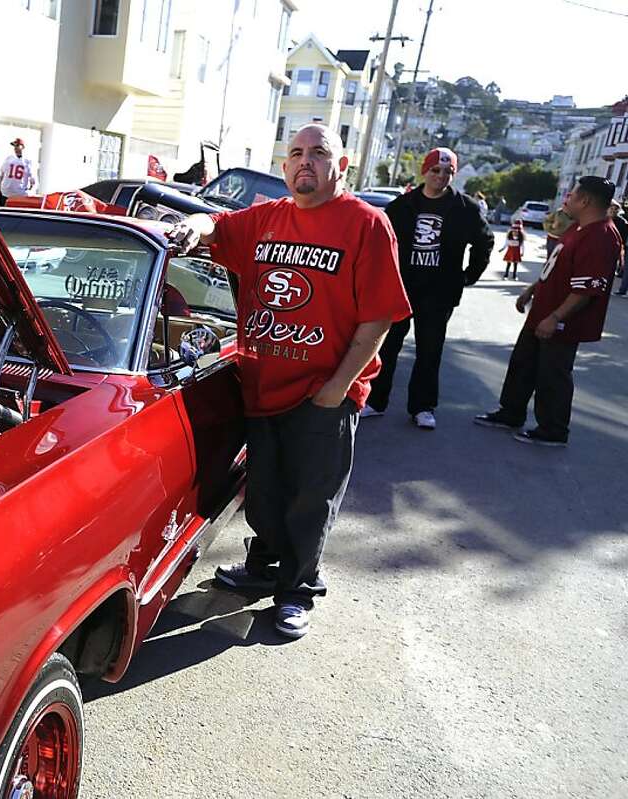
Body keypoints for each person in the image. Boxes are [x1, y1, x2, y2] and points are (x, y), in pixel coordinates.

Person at [166, 124, 410, 639]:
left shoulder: (366, 224)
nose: (306, 162)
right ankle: (264, 567)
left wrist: (336, 390)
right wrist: (194, 224)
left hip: (324, 391)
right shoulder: (268, 218)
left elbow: (379, 318)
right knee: (266, 494)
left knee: (311, 497)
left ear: (339, 166)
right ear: (284, 168)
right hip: (263, 384)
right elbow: (217, 224)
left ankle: (299, 588)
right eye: (296, 153)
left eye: (319, 153)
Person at [474, 176, 622, 447]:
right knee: (523, 364)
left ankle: (553, 429)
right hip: (542, 312)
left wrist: (555, 317)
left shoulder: (601, 236)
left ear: (586, 200)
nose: (568, 199)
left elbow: (587, 289)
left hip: (561, 322)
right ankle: (511, 412)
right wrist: (532, 289)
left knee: (553, 374)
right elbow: (558, 268)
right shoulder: (579, 227)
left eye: (573, 195)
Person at [364, 148, 494, 430]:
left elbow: (484, 242)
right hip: (402, 288)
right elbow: (381, 243)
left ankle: (423, 407)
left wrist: (467, 276)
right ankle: (375, 400)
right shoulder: (402, 205)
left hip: (439, 293)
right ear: (425, 171)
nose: (442, 176)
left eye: (448, 172)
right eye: (436, 170)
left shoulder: (465, 208)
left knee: (429, 351)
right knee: (387, 346)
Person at [0, 138, 36, 206]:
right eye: (14, 146)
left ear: (23, 147)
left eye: (17, 145)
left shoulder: (27, 161)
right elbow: (1, 175)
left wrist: (27, 190)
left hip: (18, 194)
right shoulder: (9, 158)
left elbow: (33, 181)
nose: (15, 148)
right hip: (6, 193)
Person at [610, 200, 628, 296]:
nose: (613, 211)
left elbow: (623, 237)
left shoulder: (622, 222)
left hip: (615, 248)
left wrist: (622, 248)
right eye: (612, 208)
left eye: (615, 209)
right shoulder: (603, 219)